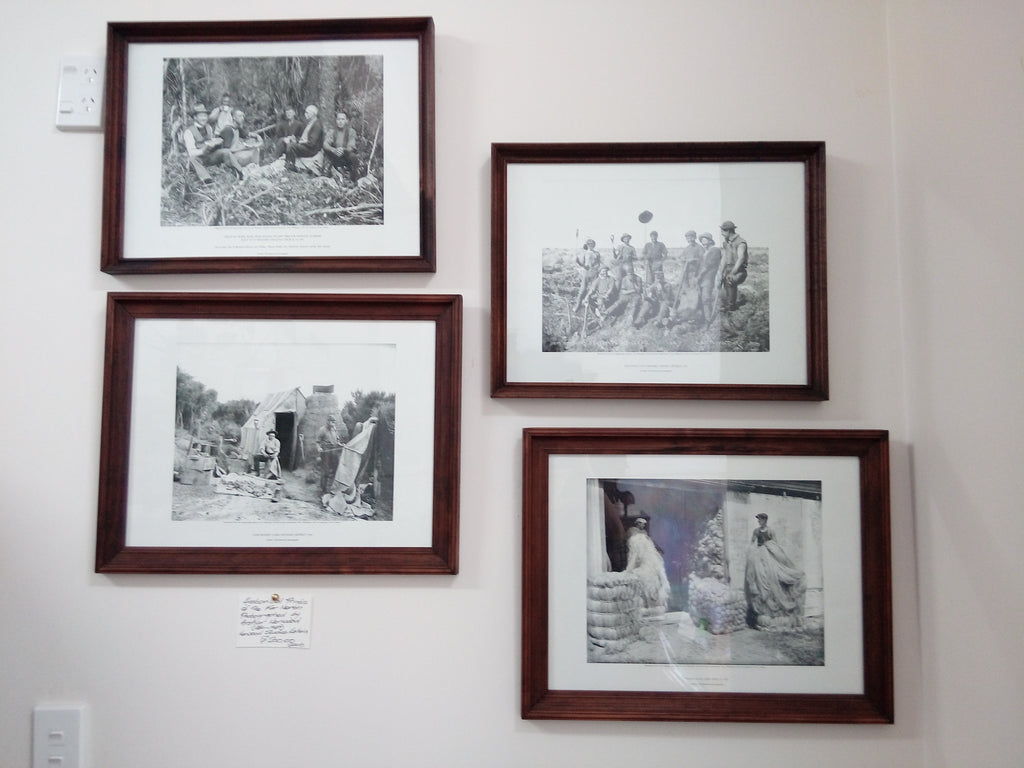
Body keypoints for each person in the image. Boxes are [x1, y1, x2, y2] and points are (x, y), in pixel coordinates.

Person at [743, 513, 806, 630]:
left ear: (765, 520)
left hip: (769, 554)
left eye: (760, 519)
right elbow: (752, 543)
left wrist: (771, 549)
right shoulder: (756, 531)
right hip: (760, 555)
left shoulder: (770, 531)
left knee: (774, 574)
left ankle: (778, 607)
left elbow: (775, 544)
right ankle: (766, 609)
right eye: (758, 520)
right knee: (761, 576)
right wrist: (752, 552)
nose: (759, 521)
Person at [181, 103, 244, 182]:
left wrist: (216, 143)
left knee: (225, 151)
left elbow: (212, 141)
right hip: (199, 159)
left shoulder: (209, 128)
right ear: (195, 117)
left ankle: (240, 172)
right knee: (192, 159)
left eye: (205, 116)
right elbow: (191, 152)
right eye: (201, 116)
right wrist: (203, 150)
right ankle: (207, 180)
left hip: (210, 157)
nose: (204, 118)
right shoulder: (189, 132)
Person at [625, 517, 671, 619]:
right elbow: (635, 555)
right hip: (643, 567)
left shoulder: (641, 537)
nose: (642, 526)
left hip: (647, 569)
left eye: (643, 524)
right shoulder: (634, 534)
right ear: (637, 523)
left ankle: (650, 612)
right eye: (641, 524)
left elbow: (635, 558)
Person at [719, 220, 749, 311]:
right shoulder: (726, 243)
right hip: (728, 269)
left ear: (728, 231)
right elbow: (724, 258)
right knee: (722, 281)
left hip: (739, 271)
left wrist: (732, 273)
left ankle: (731, 307)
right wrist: (720, 272)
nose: (722, 233)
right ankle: (728, 303)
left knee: (730, 281)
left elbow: (741, 259)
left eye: (723, 231)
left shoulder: (741, 242)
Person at [322, 110, 360, 182]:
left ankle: (353, 178)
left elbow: (351, 147)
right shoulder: (332, 131)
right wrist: (333, 149)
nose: (340, 121)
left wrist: (342, 149)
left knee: (353, 157)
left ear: (346, 121)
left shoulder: (351, 132)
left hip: (346, 156)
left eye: (342, 119)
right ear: (336, 120)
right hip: (335, 155)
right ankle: (330, 175)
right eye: (338, 119)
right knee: (327, 154)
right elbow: (325, 144)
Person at [285, 105, 324, 172]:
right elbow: (305, 138)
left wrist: (298, 142)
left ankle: (291, 166)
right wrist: (296, 140)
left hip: (312, 150)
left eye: (307, 112)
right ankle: (289, 163)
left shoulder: (316, 125)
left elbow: (312, 143)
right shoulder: (311, 123)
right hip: (307, 147)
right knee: (289, 142)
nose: (305, 114)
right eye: (305, 112)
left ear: (313, 114)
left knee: (291, 146)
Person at [315, 415, 347, 498]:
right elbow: (317, 442)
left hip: (334, 451)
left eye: (334, 422)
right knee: (325, 471)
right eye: (332, 422)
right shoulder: (322, 430)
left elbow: (337, 441)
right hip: (326, 452)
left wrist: (341, 445)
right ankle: (323, 490)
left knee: (336, 470)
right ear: (328, 421)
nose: (333, 424)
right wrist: (319, 448)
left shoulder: (334, 429)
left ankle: (332, 489)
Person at [695, 232, 723, 325]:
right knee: (699, 298)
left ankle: (708, 320)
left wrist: (698, 277)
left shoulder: (715, 250)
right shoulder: (705, 252)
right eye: (702, 240)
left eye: (704, 239)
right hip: (702, 279)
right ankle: (700, 318)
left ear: (710, 241)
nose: (702, 241)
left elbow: (707, 266)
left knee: (706, 299)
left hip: (708, 278)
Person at [605, 261, 644, 325]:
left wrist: (634, 283)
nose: (630, 275)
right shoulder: (624, 279)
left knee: (634, 304)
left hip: (636, 296)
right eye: (629, 274)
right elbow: (623, 291)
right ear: (626, 273)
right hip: (627, 295)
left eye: (631, 273)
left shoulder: (638, 278)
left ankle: (630, 318)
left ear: (633, 273)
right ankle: (606, 312)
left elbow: (639, 291)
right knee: (618, 302)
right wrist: (633, 290)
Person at [573, 239, 602, 311]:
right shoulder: (584, 253)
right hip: (586, 272)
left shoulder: (597, 253)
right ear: (587, 245)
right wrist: (578, 261)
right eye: (589, 244)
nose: (591, 245)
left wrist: (598, 269)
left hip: (595, 273)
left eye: (592, 244)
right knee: (582, 289)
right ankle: (578, 304)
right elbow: (582, 264)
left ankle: (592, 305)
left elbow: (598, 263)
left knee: (593, 289)